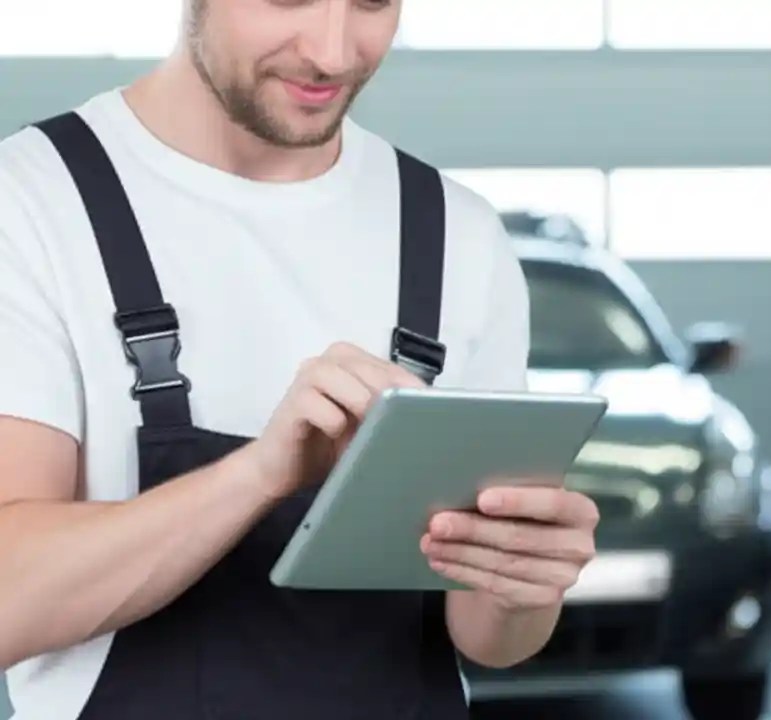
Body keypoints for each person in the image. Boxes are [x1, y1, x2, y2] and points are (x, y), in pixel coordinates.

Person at [0, 1, 601, 718]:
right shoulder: (32, 204)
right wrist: (259, 476)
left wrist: (523, 584)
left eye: (372, 1)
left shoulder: (457, 234)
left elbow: (487, 639)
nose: (333, 52)